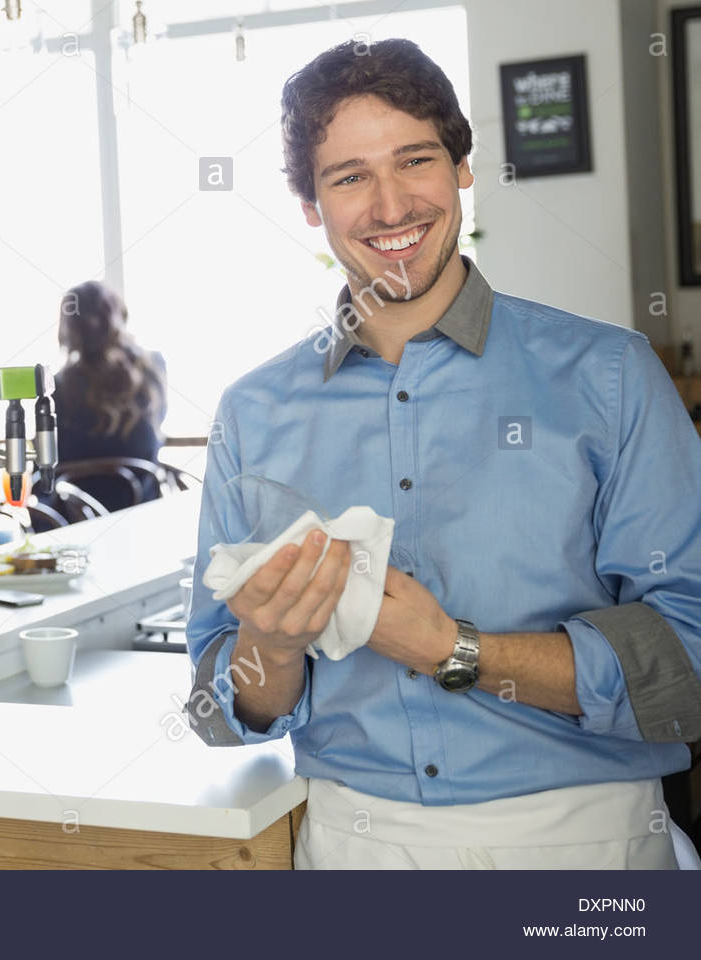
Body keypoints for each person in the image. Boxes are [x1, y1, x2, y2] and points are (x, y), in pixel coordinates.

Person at [185, 39, 701, 869]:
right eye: (349, 176)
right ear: (311, 205)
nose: (390, 208)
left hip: (585, 845)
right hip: (354, 848)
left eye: (415, 160)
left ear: (462, 168)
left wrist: (456, 650)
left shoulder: (609, 375)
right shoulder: (254, 412)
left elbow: (689, 655)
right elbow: (220, 704)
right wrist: (271, 650)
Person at [52, 281, 168, 513]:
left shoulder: (56, 386)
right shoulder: (152, 367)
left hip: (74, 518)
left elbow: (49, 461)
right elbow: (158, 424)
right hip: (142, 509)